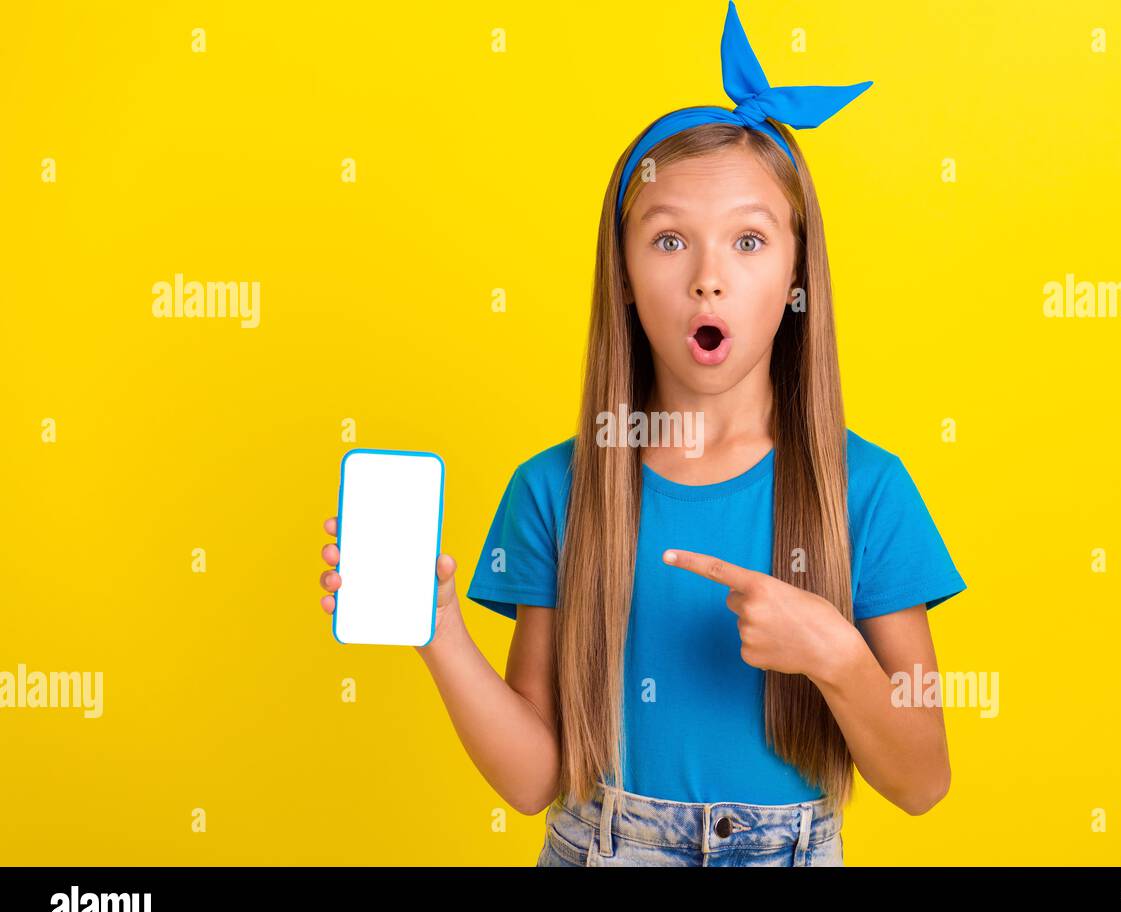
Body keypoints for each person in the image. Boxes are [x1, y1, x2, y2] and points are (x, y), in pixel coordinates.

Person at [319, 1, 966, 866]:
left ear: (796, 274)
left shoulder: (869, 492)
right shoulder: (554, 494)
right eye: (669, 242)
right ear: (623, 278)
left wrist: (835, 655)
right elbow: (531, 779)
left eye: (747, 240)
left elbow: (922, 781)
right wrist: (437, 632)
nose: (708, 280)